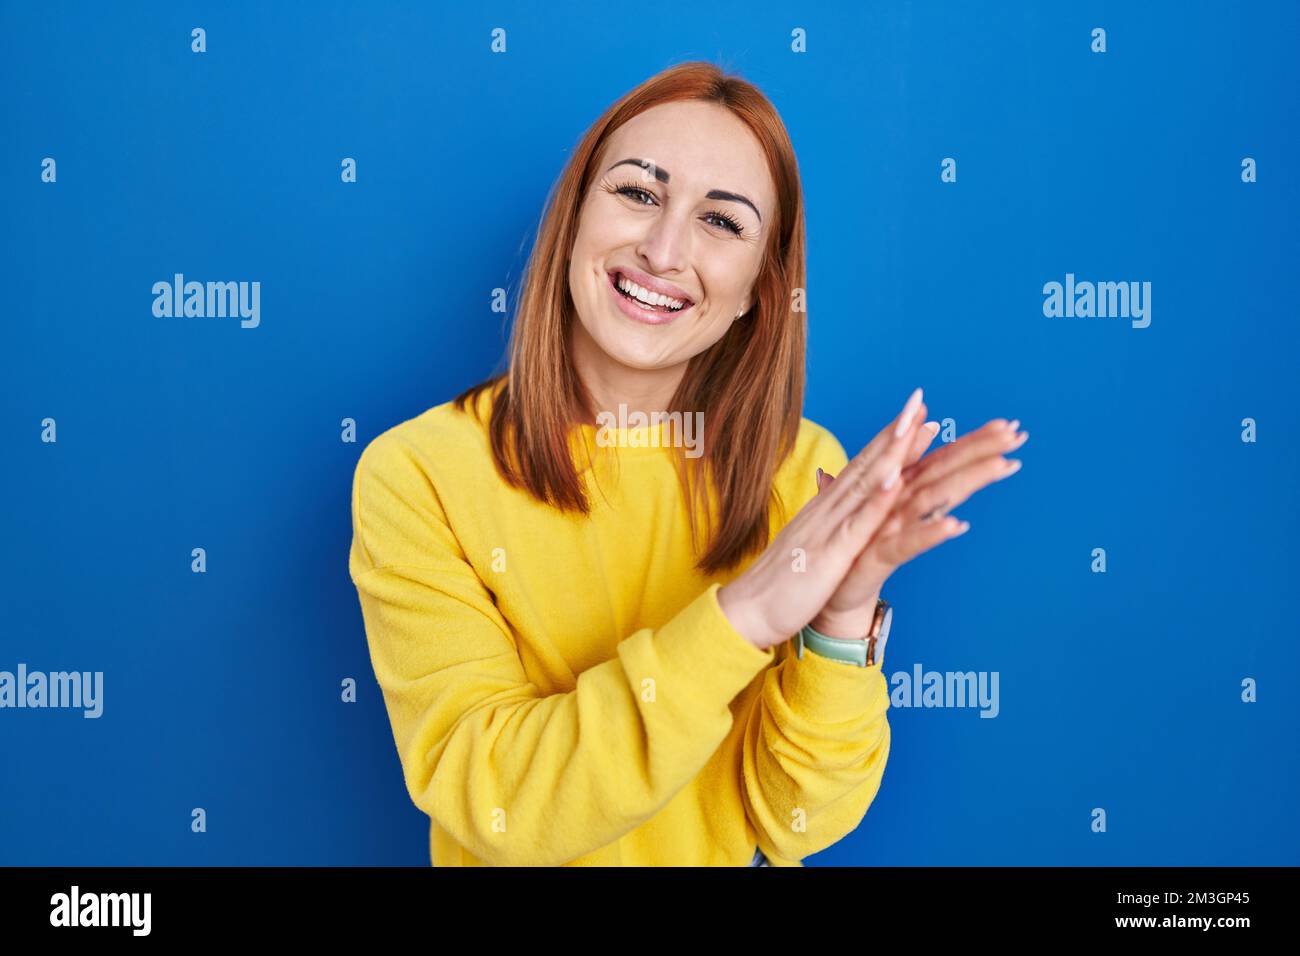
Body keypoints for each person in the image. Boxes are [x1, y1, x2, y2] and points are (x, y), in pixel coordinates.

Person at [348, 61, 1027, 867]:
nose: (665, 250)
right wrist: (746, 616)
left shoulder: (804, 472)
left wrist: (840, 623)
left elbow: (796, 824)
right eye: (638, 192)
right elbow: (500, 804)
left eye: (723, 222)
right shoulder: (419, 475)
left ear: (757, 292)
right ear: (571, 219)